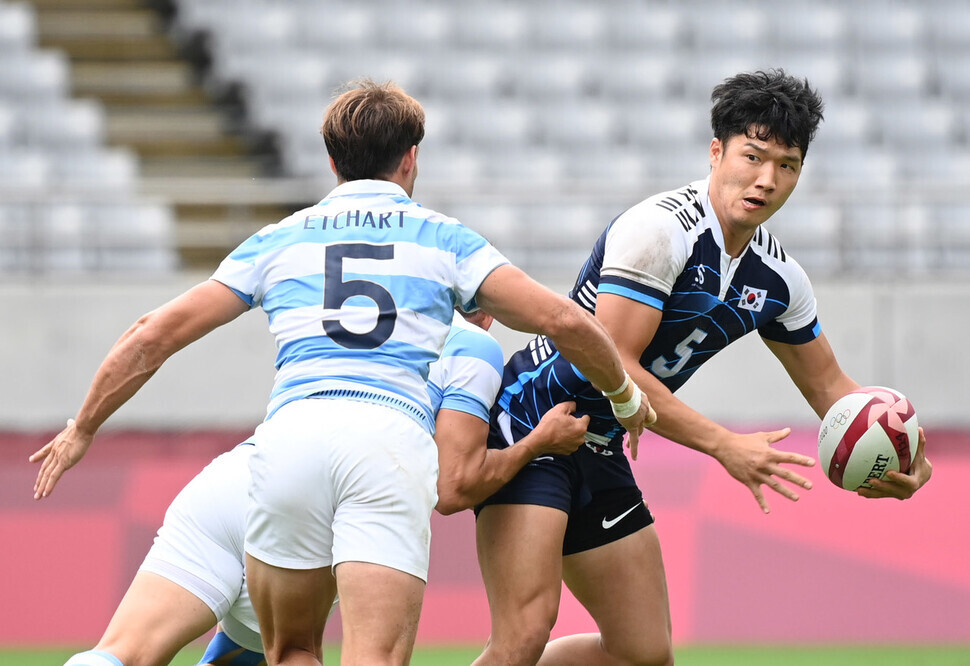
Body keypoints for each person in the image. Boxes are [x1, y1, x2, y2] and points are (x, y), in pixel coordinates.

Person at [31, 79, 652, 666]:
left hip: (287, 440)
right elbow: (565, 323)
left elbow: (152, 334)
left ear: (333, 164)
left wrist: (83, 425)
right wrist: (624, 396)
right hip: (386, 441)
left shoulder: (278, 239)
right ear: (411, 159)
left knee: (291, 650)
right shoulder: (444, 240)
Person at [472, 69, 934, 666]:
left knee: (643, 654)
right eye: (753, 156)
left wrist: (901, 453)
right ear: (716, 151)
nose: (767, 180)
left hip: (602, 446)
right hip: (534, 425)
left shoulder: (780, 281)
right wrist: (724, 445)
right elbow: (616, 369)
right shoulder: (659, 232)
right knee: (523, 635)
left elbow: (832, 392)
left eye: (788, 165)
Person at [62, 311, 590, 666]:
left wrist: (82, 426)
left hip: (240, 479)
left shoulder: (356, 317)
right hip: (331, 506)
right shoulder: (474, 345)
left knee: (120, 654)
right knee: (304, 651)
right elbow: (454, 487)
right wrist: (535, 443)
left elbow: (154, 330)